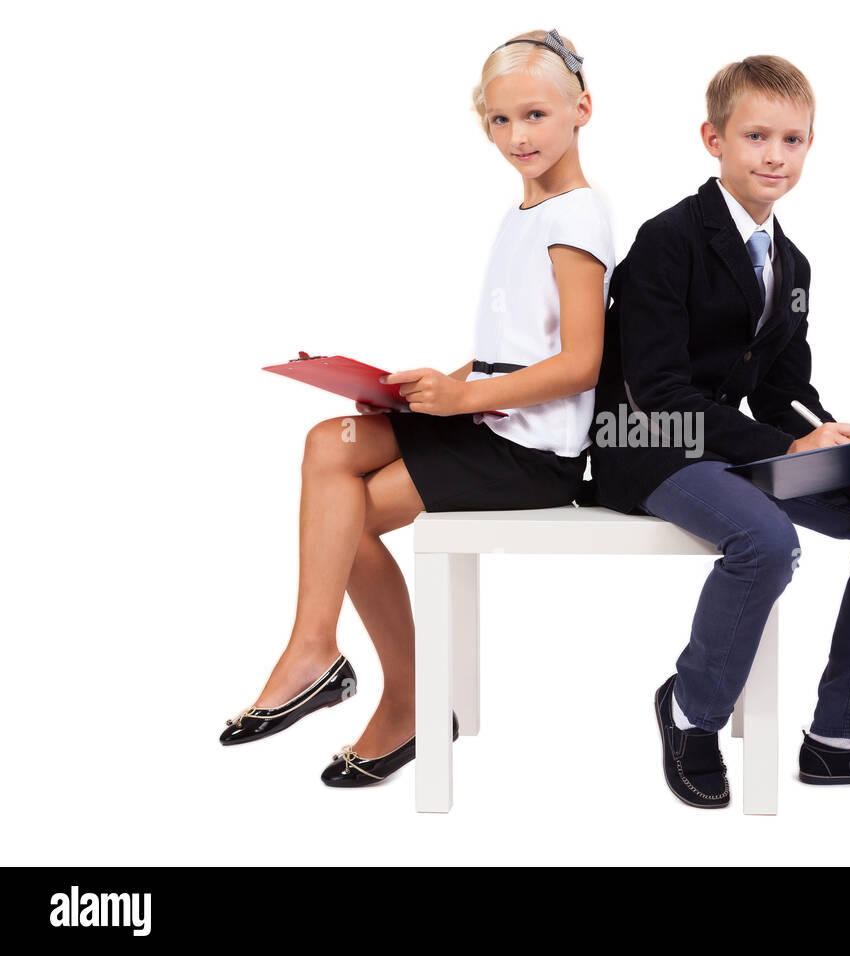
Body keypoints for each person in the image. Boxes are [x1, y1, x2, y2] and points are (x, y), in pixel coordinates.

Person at [219, 28, 614, 789]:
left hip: (534, 457)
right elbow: (518, 347)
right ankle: (321, 651)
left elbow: (580, 363)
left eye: (534, 115)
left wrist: (465, 398)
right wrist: (434, 388)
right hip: (494, 425)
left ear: (581, 109)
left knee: (352, 511)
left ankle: (388, 692)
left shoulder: (577, 216)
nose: (516, 136)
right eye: (499, 121)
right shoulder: (524, 214)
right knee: (327, 441)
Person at [586, 54, 850, 809]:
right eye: (755, 136)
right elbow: (656, 394)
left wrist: (848, 455)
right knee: (766, 539)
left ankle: (842, 737)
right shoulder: (668, 240)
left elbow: (785, 393)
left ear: (811, 145)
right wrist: (786, 449)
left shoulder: (794, 263)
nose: (774, 156)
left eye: (793, 139)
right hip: (648, 446)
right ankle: (691, 712)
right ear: (713, 140)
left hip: (728, 452)